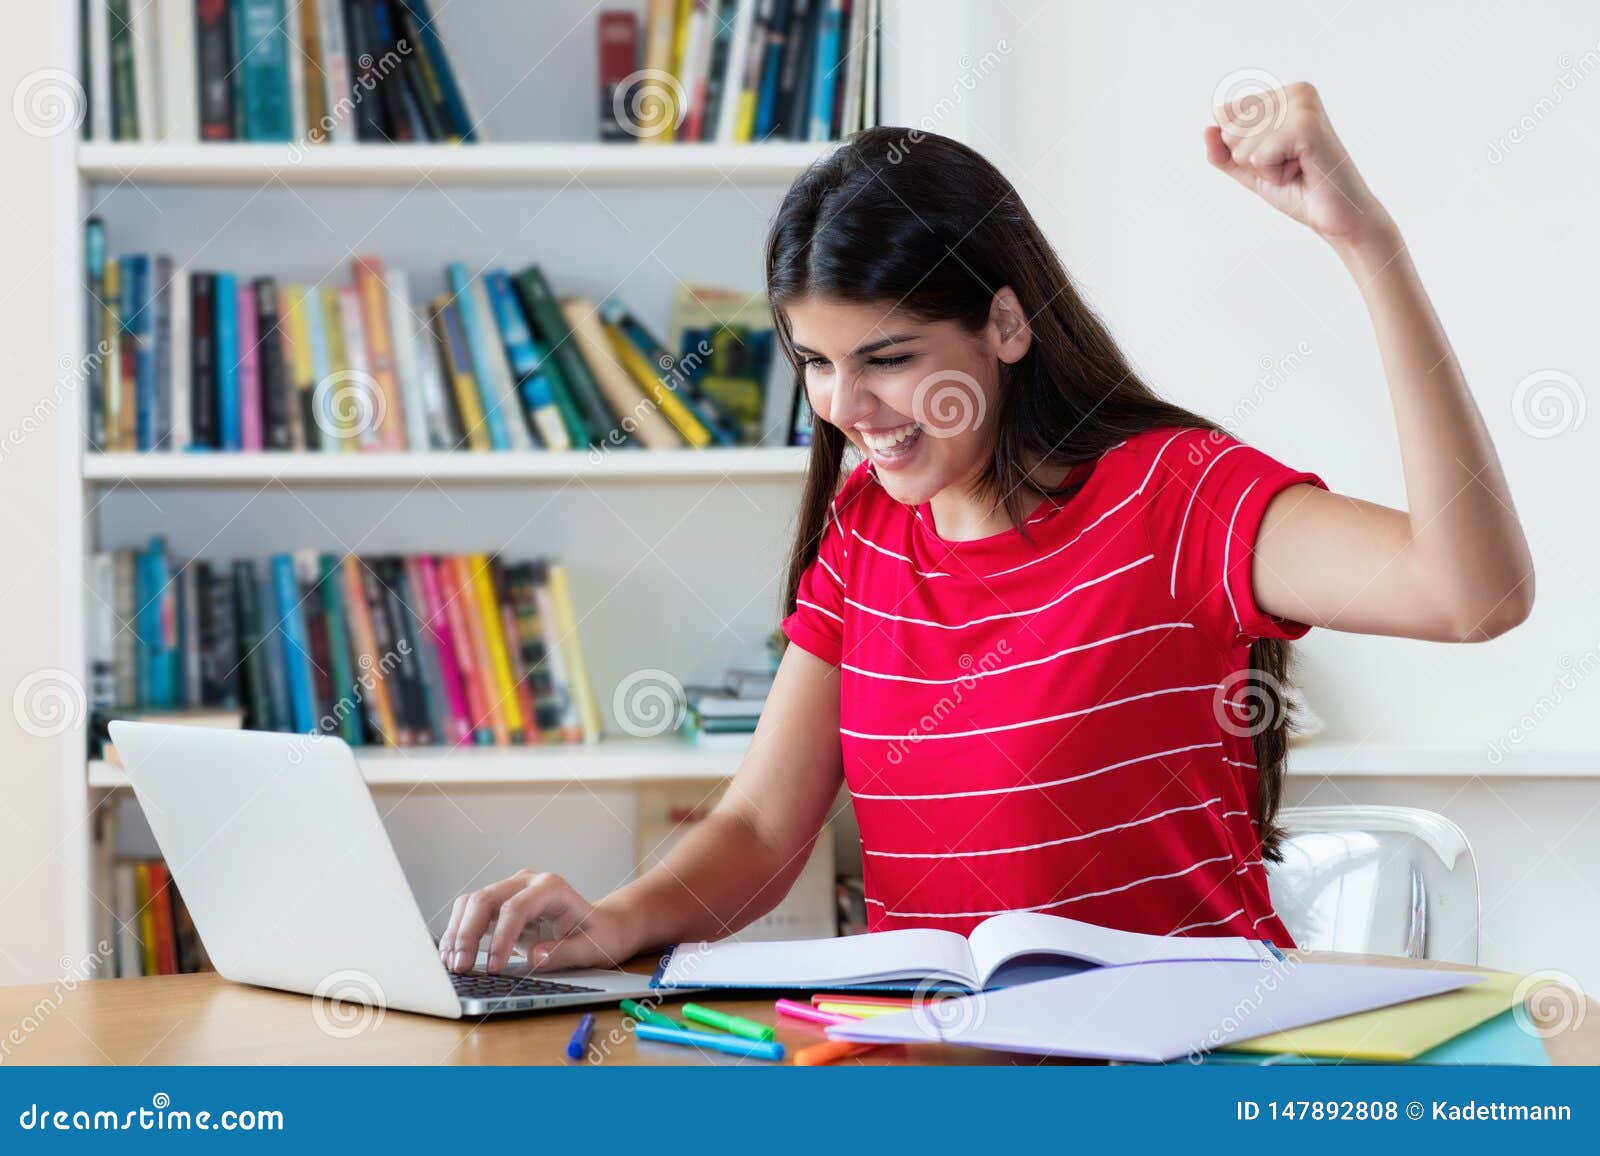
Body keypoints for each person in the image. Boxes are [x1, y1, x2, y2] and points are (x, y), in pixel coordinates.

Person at [440, 83, 1532, 976]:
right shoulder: (866, 532)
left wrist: (1368, 245)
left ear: (1004, 324)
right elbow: (765, 827)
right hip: (933, 1075)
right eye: (816, 364)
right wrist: (618, 920)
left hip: (1168, 1081)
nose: (845, 410)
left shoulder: (1177, 498)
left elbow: (1470, 590)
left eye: (889, 358)